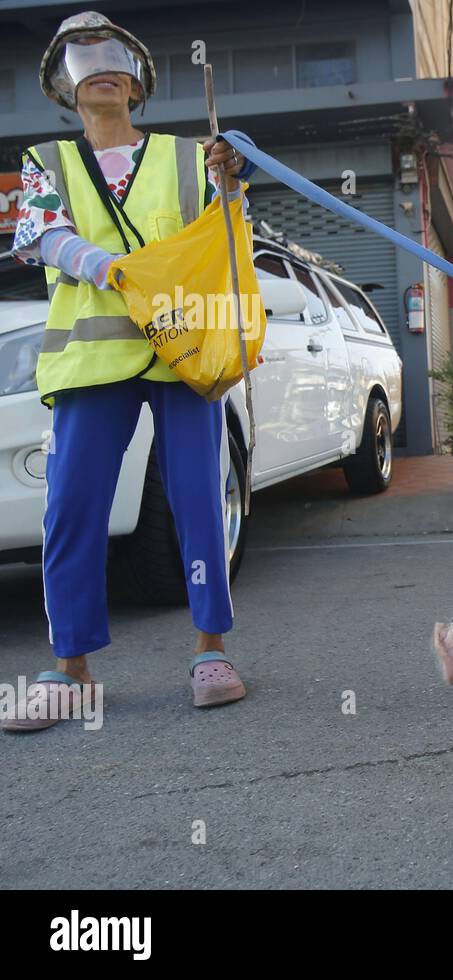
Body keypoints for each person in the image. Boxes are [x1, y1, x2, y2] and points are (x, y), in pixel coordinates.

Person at [3, 11, 252, 732]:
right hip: (91, 359)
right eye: (83, 58)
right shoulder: (46, 159)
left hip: (182, 352)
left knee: (198, 500)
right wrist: (107, 266)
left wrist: (231, 183)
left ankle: (212, 651)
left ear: (138, 80)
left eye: (115, 55)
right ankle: (70, 669)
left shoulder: (186, 157)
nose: (102, 65)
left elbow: (225, 232)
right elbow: (42, 234)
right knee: (72, 507)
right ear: (64, 85)